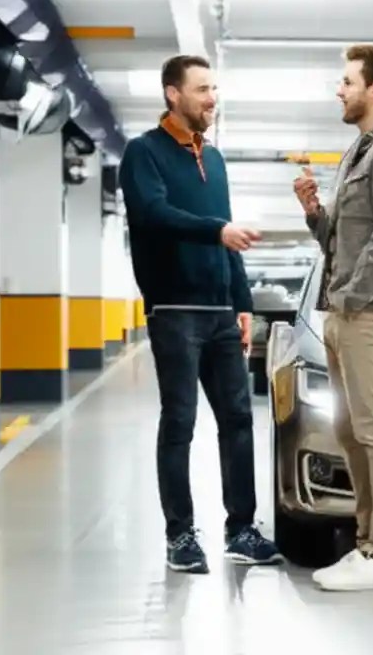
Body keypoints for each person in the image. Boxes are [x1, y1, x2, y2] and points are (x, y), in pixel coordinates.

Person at [119, 54, 283, 574]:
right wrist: (216, 231)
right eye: (202, 89)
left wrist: (243, 303)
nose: (212, 99)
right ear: (174, 94)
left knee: (238, 419)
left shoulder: (214, 159)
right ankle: (180, 535)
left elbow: (226, 231)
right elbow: (153, 214)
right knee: (180, 421)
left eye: (214, 89)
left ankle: (241, 530)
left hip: (219, 311)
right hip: (174, 310)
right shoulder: (143, 152)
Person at [292, 44, 373, 591]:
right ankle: (366, 541)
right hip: (343, 312)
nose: (339, 90)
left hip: (367, 314)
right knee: (350, 430)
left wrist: (351, 298)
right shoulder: (359, 150)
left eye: (347, 81)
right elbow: (342, 240)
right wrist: (314, 212)